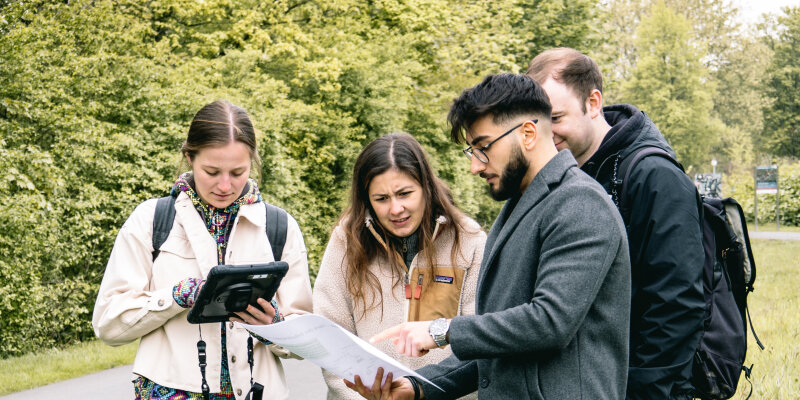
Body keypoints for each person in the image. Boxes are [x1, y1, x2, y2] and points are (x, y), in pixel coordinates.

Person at [347, 74, 631, 400]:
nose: (475, 166)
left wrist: (442, 330)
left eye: (482, 147)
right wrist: (415, 386)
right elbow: (495, 347)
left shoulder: (580, 204)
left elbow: (549, 322)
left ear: (527, 133)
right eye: (472, 150)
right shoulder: (516, 209)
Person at [92, 100, 313, 399]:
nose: (225, 185)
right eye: (212, 171)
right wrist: (177, 296)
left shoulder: (279, 227)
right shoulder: (151, 220)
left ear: (253, 162)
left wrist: (274, 326)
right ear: (189, 157)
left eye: (238, 172)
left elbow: (305, 337)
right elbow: (108, 324)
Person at [527, 47, 705, 400]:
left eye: (556, 118)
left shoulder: (654, 177)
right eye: (537, 123)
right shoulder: (563, 176)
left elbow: (678, 303)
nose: (546, 133)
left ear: (593, 103)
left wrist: (640, 390)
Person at [313, 132, 486, 400]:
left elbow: (478, 340)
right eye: (381, 199)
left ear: (426, 187)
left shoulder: (469, 241)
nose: (396, 209)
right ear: (366, 199)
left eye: (405, 194)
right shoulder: (345, 241)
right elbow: (330, 334)